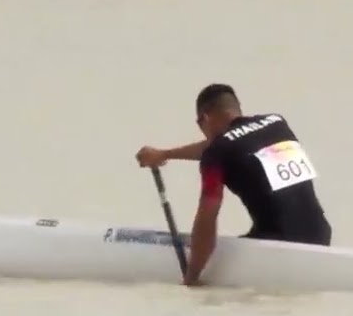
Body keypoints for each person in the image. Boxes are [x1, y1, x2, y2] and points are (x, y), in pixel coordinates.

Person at [135, 83, 332, 286]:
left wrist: (192, 276)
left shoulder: (218, 152)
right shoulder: (276, 123)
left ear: (205, 118)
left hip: (277, 248)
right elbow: (227, 147)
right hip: (321, 237)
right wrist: (165, 155)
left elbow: (208, 215)